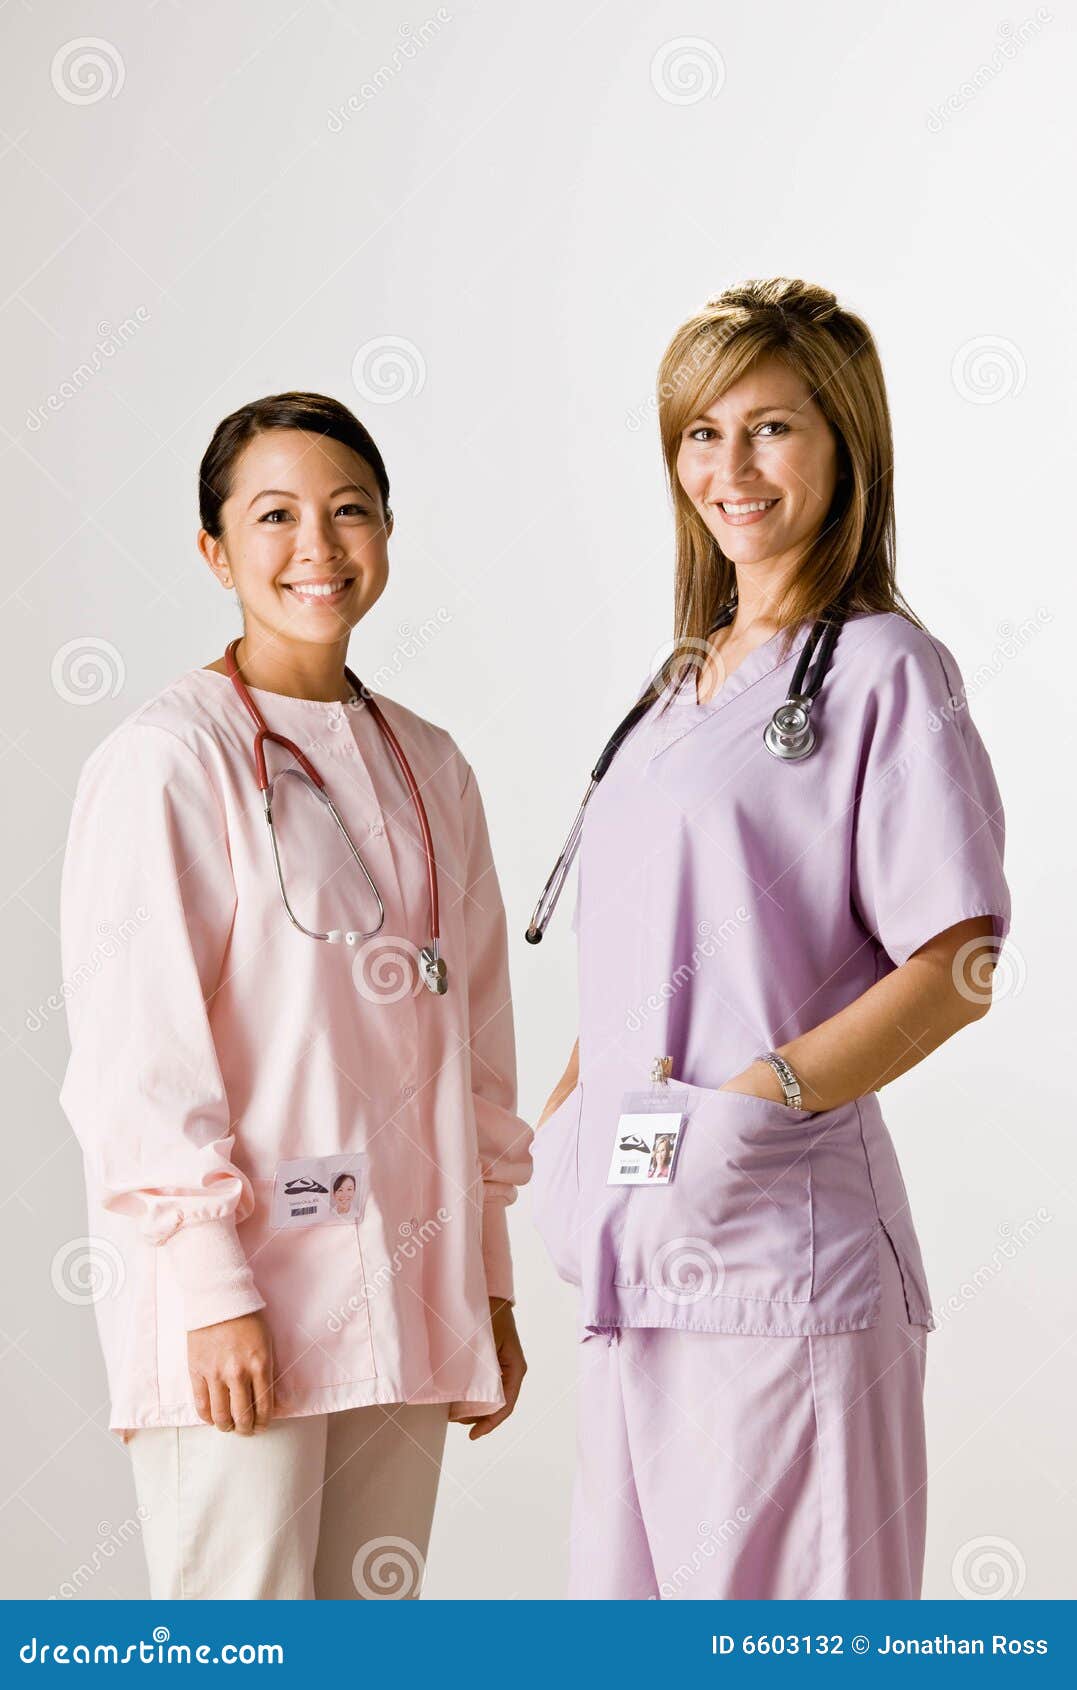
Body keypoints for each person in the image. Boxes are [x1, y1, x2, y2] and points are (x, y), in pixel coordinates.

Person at [530, 279, 1011, 1601]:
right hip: (638, 1254)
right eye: (699, 431)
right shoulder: (682, 679)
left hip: (775, 1255)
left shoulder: (882, 670)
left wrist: (759, 1101)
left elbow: (958, 961)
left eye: (770, 428)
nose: (726, 466)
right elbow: (649, 953)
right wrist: (573, 1127)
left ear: (843, 446)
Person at [58, 392, 532, 1600]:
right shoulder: (172, 759)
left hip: (405, 1284)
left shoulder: (432, 764)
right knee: (243, 1638)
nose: (317, 546)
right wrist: (214, 1291)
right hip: (245, 1297)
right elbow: (138, 1062)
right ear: (215, 550)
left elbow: (477, 1039)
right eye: (274, 515)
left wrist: (487, 1281)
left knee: (369, 1637)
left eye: (348, 512)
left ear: (385, 533)